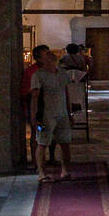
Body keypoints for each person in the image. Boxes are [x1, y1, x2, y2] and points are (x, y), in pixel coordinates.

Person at [30, 48, 86, 183]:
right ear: (40, 59)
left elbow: (65, 93)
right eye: (46, 54)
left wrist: (69, 112)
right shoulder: (38, 75)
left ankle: (65, 170)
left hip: (62, 113)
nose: (50, 55)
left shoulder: (62, 73)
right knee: (42, 143)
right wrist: (34, 117)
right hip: (46, 115)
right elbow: (35, 97)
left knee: (65, 142)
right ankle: (42, 173)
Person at [21, 44, 48, 169]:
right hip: (37, 107)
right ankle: (35, 161)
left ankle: (50, 158)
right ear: (37, 57)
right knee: (36, 133)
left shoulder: (51, 70)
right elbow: (25, 92)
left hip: (50, 106)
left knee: (50, 134)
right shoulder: (30, 72)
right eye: (45, 55)